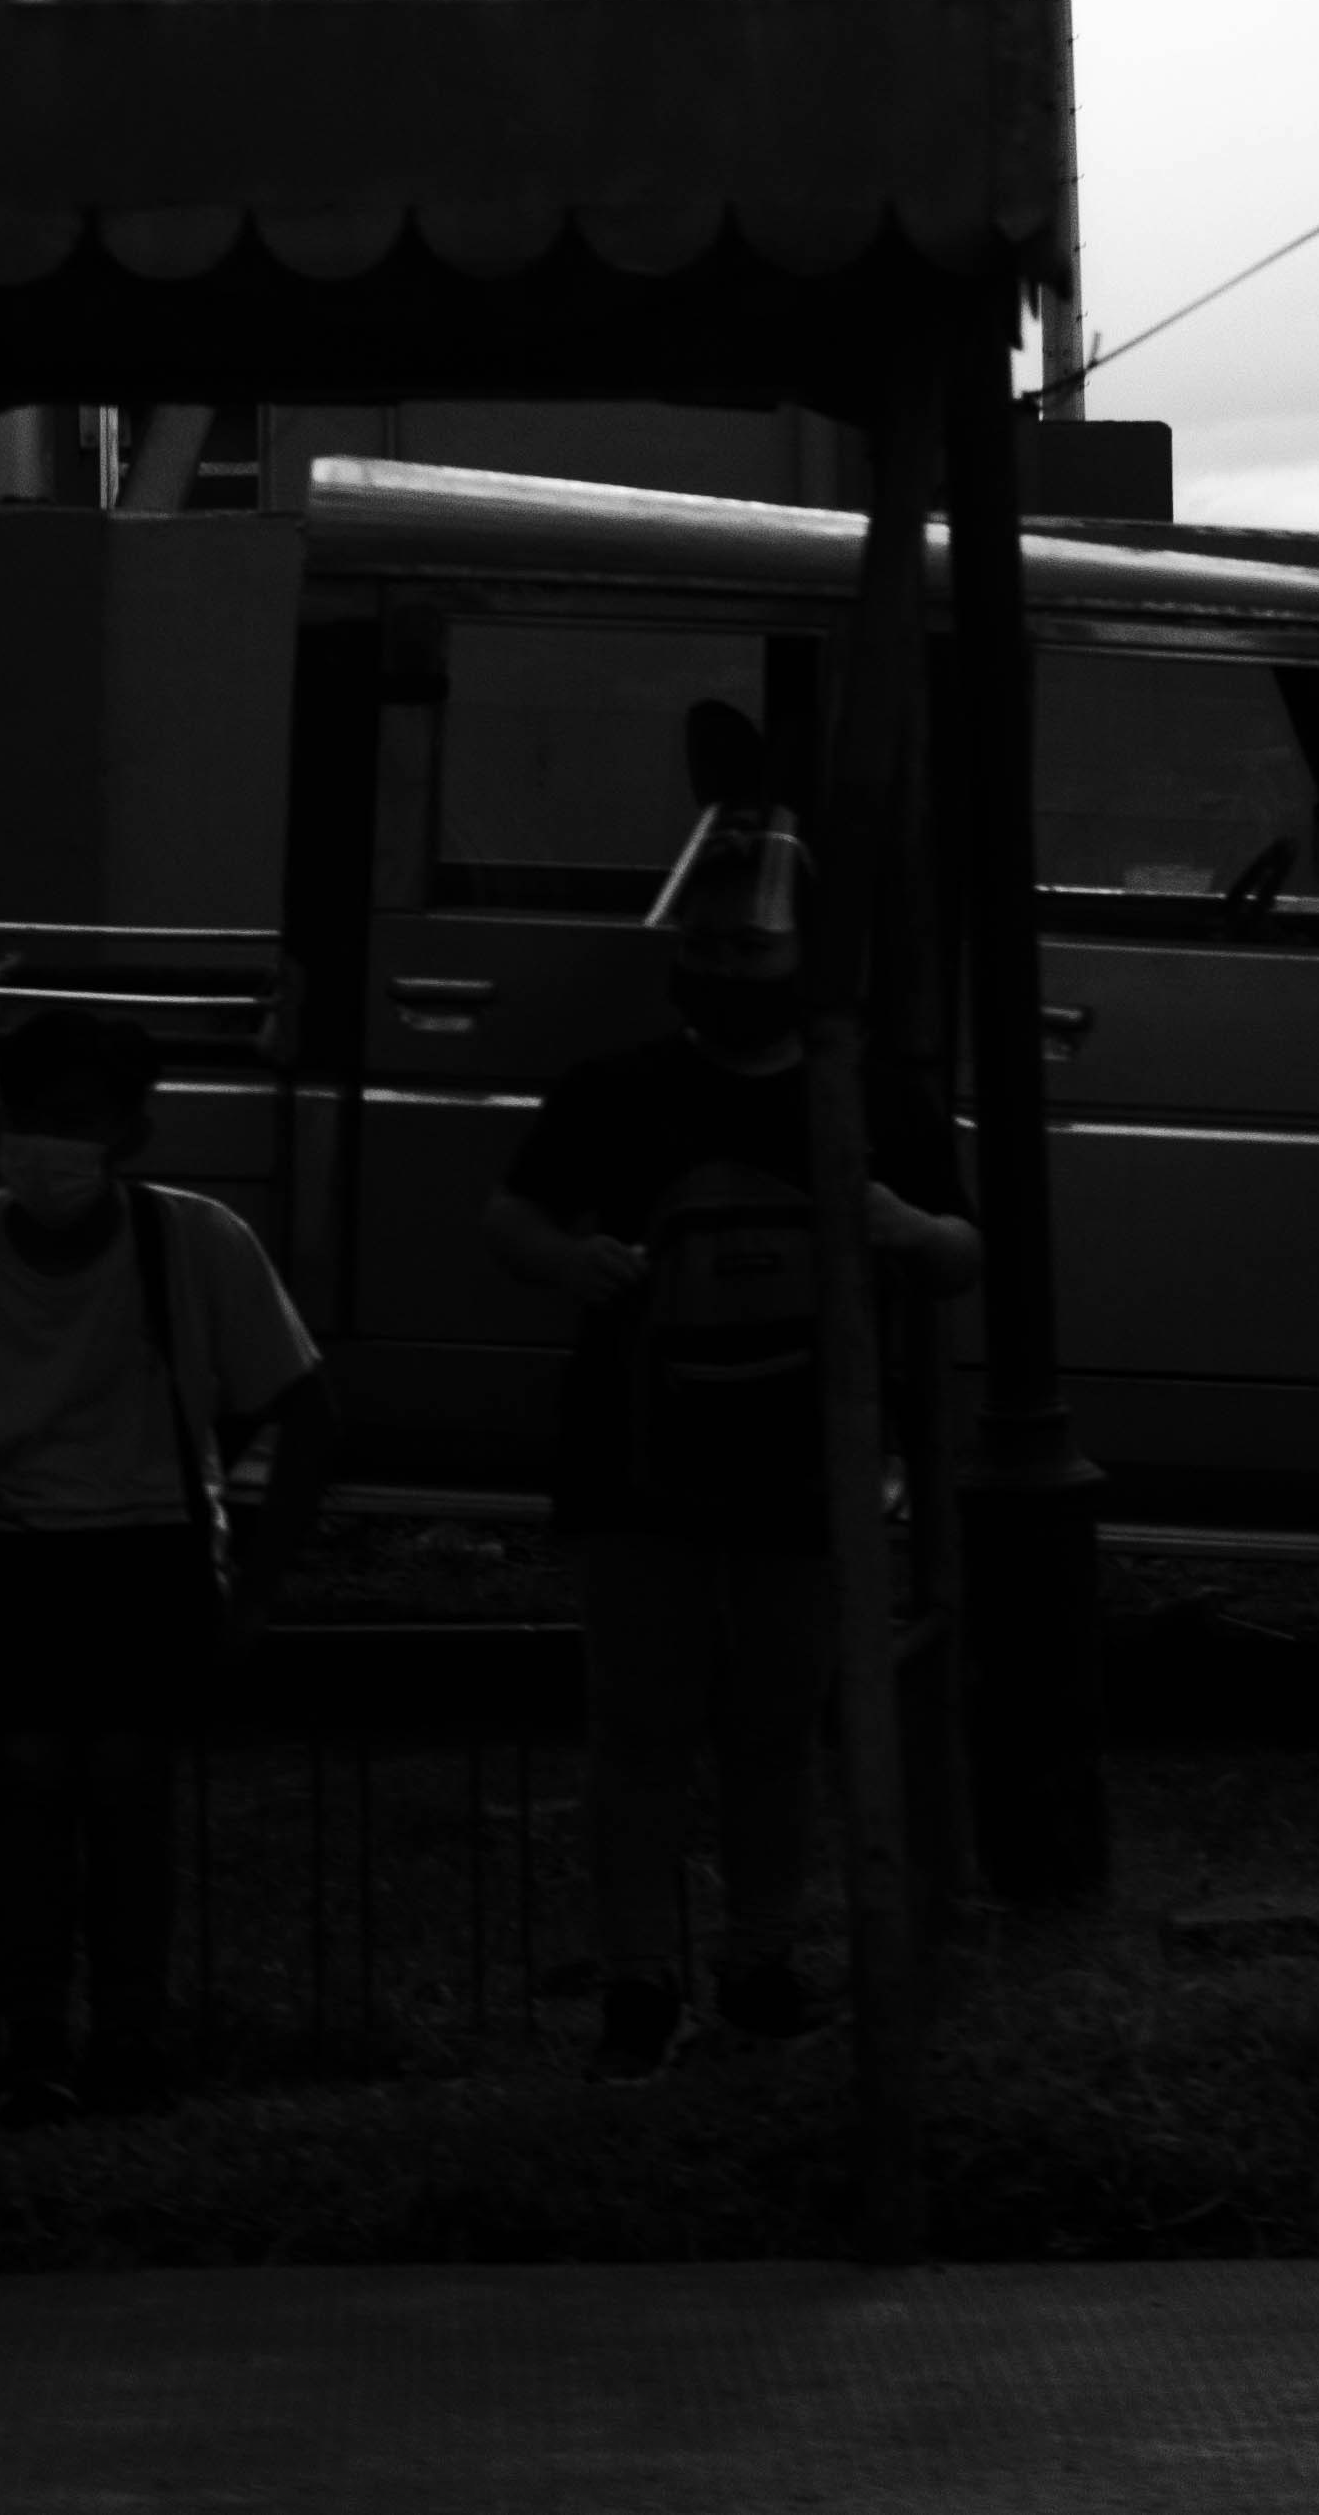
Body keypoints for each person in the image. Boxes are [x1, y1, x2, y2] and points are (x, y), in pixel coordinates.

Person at [482, 791, 980, 2084]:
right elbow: (512, 1215)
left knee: (774, 1726)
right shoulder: (615, 1090)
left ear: (804, 960)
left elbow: (956, 1250)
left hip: (799, 1465)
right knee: (638, 1731)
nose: (715, 971)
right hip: (639, 1458)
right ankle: (638, 1979)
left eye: (743, 952)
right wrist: (566, 1256)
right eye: (700, 950)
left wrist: (895, 1225)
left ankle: (758, 1961)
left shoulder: (871, 1100)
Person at [0, 1006, 337, 2126]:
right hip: (18, 1559)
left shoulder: (195, 1243)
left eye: (75, 1121)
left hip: (146, 1553)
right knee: (32, 1795)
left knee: (118, 1793)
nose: (47, 1147)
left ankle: (121, 2034)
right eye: (29, 1119)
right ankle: (38, 2041)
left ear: (132, 1132)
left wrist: (248, 1594)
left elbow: (306, 1410)